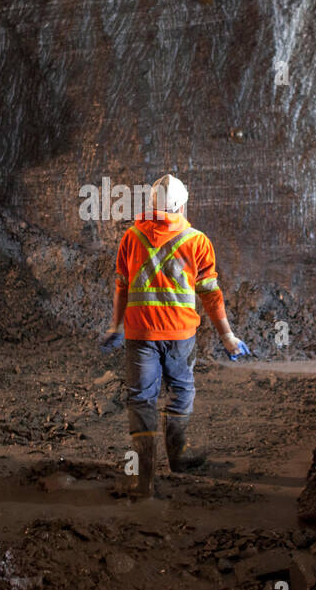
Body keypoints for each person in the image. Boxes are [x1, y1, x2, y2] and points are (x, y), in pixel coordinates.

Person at [99, 173, 250, 497]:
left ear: (151, 205)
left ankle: (144, 481)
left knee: (141, 400)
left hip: (141, 335)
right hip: (180, 336)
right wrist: (227, 337)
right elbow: (211, 294)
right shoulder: (197, 241)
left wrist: (116, 326)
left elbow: (121, 286)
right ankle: (178, 458)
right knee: (181, 392)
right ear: (182, 205)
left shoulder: (131, 237)